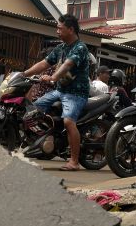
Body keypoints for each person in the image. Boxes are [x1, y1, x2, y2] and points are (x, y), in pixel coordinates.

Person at [23, 14, 90, 171]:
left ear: (71, 29)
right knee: (33, 110)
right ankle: (49, 138)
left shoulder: (80, 48)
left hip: (76, 94)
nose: (57, 31)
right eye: (57, 28)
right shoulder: (60, 48)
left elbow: (67, 65)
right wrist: (23, 74)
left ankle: (74, 162)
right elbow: (44, 63)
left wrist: (53, 78)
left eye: (60, 28)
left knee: (68, 122)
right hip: (60, 91)